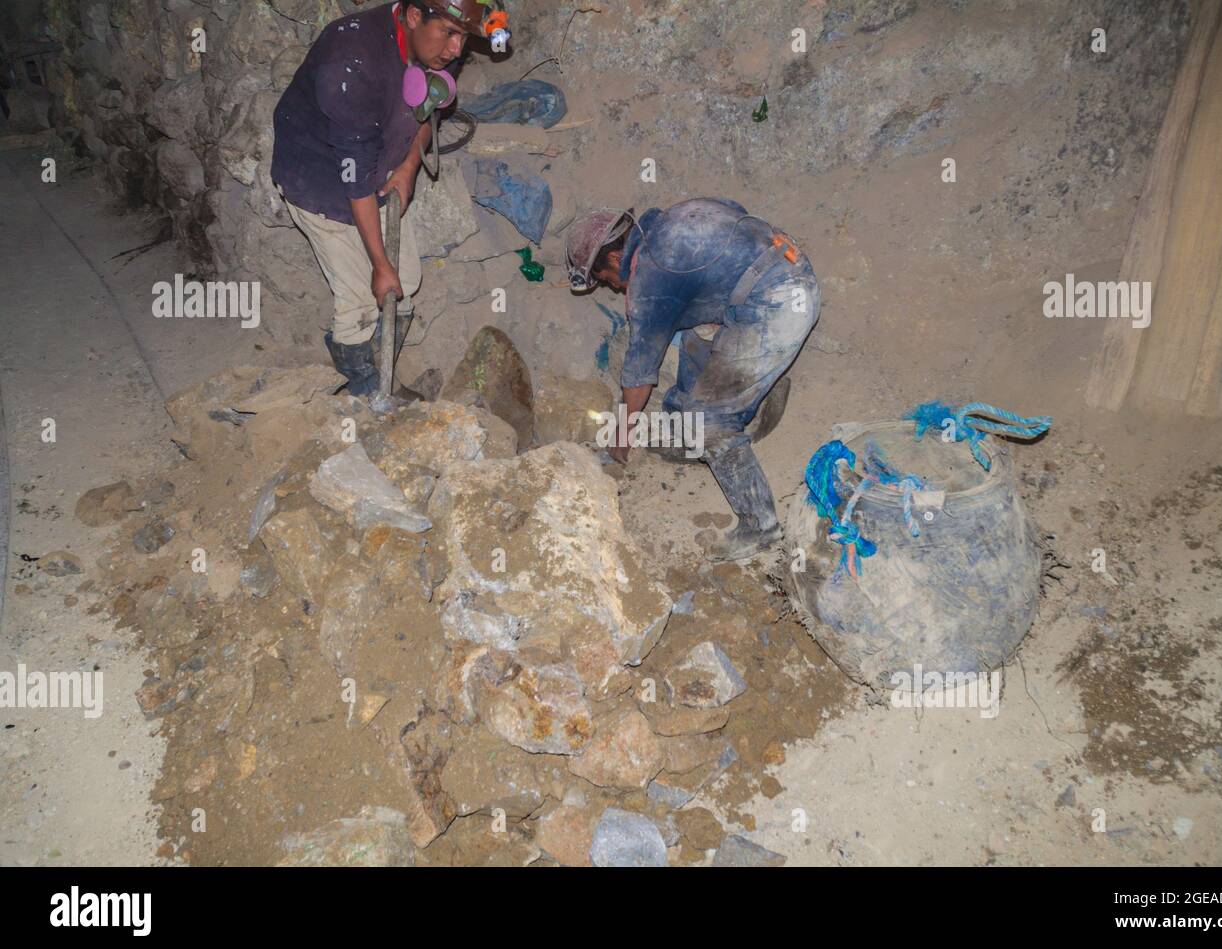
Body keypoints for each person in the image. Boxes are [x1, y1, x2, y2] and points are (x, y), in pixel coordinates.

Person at [271, 0, 509, 396]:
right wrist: (379, 264)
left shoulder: (433, 45)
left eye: (464, 37)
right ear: (414, 16)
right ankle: (367, 401)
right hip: (318, 179)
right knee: (363, 300)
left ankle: (383, 381)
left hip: (379, 163)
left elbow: (427, 109)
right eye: (449, 34)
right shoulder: (348, 64)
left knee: (405, 284)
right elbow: (355, 181)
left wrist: (408, 166)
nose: (455, 51)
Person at [566, 199, 821, 561]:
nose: (615, 289)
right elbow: (736, 215)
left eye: (607, 281)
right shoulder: (673, 220)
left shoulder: (649, 280)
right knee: (696, 330)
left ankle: (759, 526)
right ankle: (693, 416)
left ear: (612, 259)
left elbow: (640, 371)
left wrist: (621, 434)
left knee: (709, 421)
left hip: (779, 303)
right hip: (786, 266)